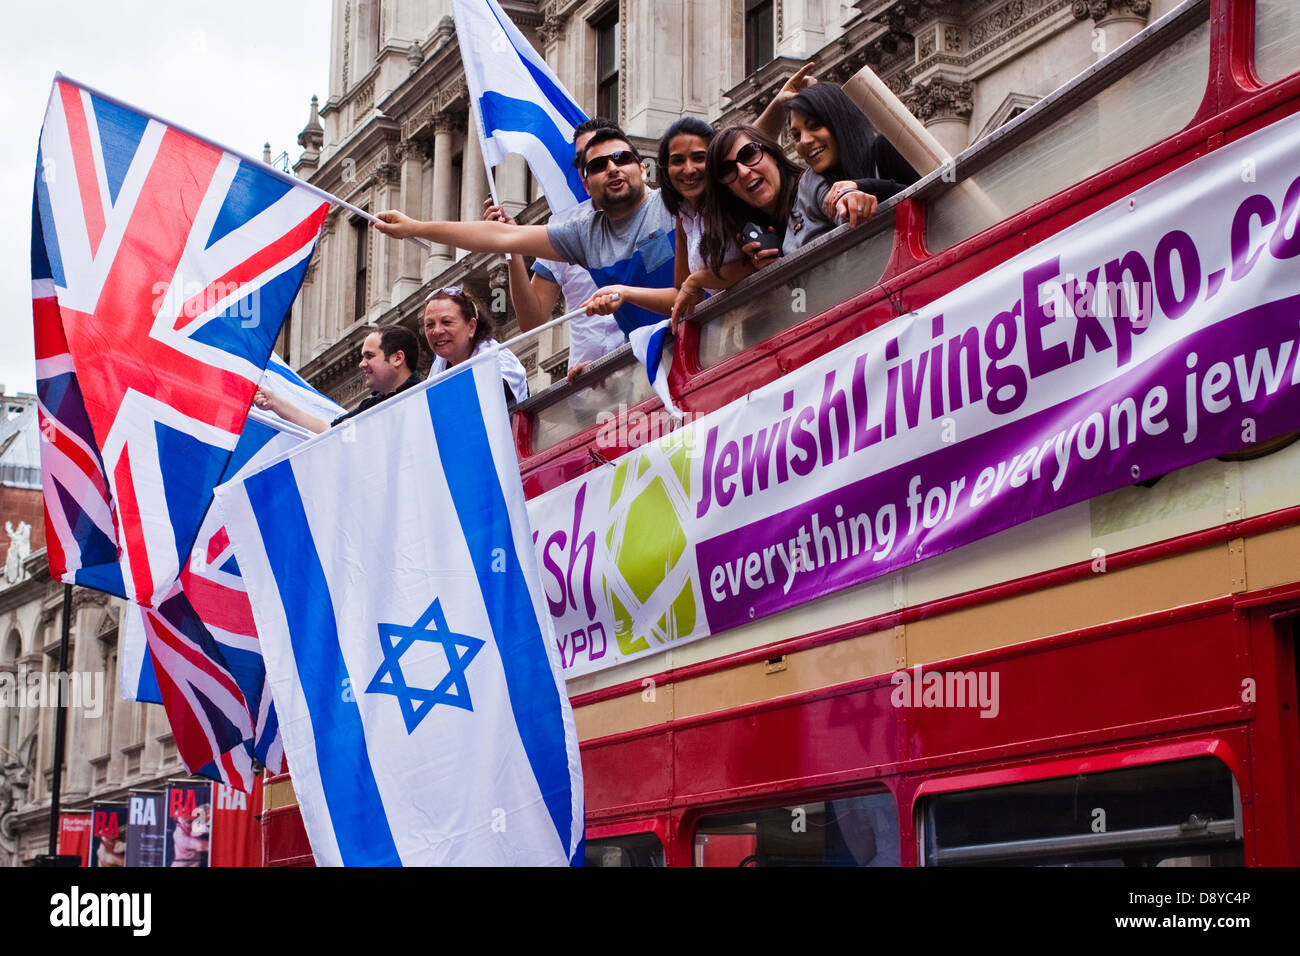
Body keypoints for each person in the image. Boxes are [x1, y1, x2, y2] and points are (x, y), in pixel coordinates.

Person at [375, 127, 677, 342]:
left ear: (643, 168)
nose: (612, 168)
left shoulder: (675, 206)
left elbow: (691, 293)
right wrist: (414, 227)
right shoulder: (584, 233)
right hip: (649, 362)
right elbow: (498, 237)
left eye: (621, 159)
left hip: (709, 337)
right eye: (597, 165)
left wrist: (625, 295)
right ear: (586, 186)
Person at [482, 117, 624, 382]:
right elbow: (532, 321)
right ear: (582, 177)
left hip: (650, 366)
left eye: (609, 156)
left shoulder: (660, 212)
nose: (604, 167)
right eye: (587, 162)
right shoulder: (564, 227)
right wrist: (512, 245)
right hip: (591, 386)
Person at [785, 82, 919, 223]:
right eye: (796, 136)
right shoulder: (818, 191)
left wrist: (866, 187)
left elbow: (933, 198)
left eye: (815, 126)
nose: (804, 141)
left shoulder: (885, 148)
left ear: (839, 122)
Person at [254, 323, 422, 433]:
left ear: (398, 358)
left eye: (369, 356)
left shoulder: (424, 400)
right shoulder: (370, 406)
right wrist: (275, 402)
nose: (361, 364)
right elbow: (329, 431)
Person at [422, 286, 529, 404]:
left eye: (446, 322)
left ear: (471, 327)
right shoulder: (438, 365)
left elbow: (492, 398)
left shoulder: (498, 357)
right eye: (430, 324)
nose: (436, 331)